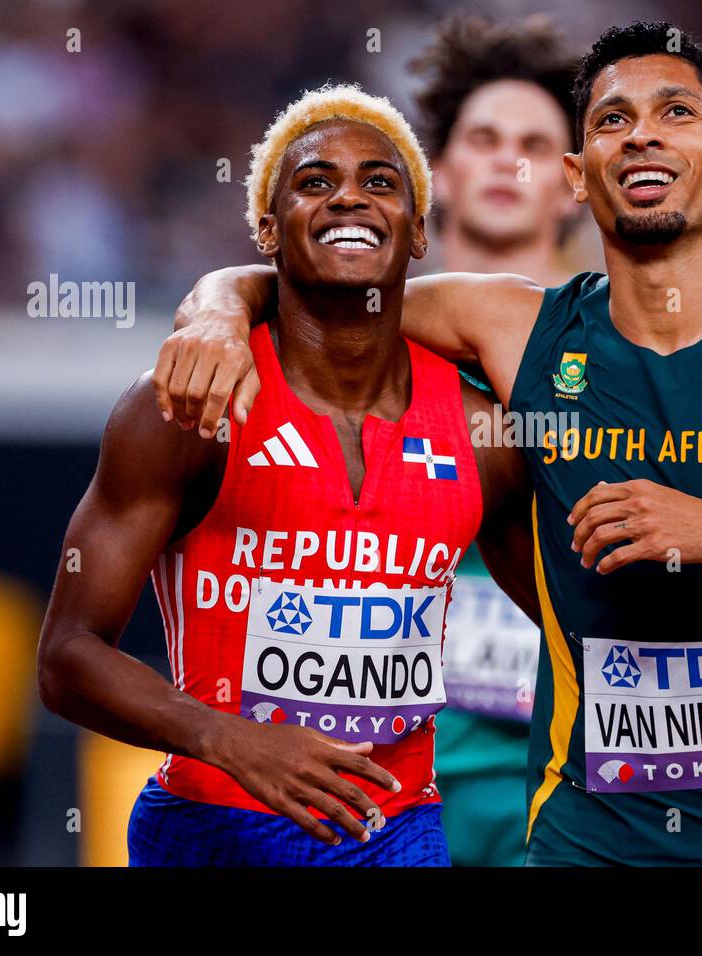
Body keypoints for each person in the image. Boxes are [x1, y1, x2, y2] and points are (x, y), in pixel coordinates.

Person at [156, 21, 702, 865]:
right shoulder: (509, 330)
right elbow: (309, 286)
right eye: (613, 120)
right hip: (563, 835)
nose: (643, 133)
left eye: (677, 112)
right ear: (580, 177)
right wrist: (216, 309)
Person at [37, 83, 538, 866]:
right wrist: (227, 738)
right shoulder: (187, 406)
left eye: (381, 182)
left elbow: (577, 622)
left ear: (416, 236)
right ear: (267, 229)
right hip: (211, 826)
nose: (350, 196)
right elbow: (66, 656)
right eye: (315, 182)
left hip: (395, 829)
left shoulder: (484, 431)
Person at [403, 13, 582, 868]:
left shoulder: (628, 356)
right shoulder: (354, 350)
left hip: (570, 803)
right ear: (437, 171)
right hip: (384, 804)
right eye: (484, 137)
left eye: (536, 144)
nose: (508, 160)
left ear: (573, 183)